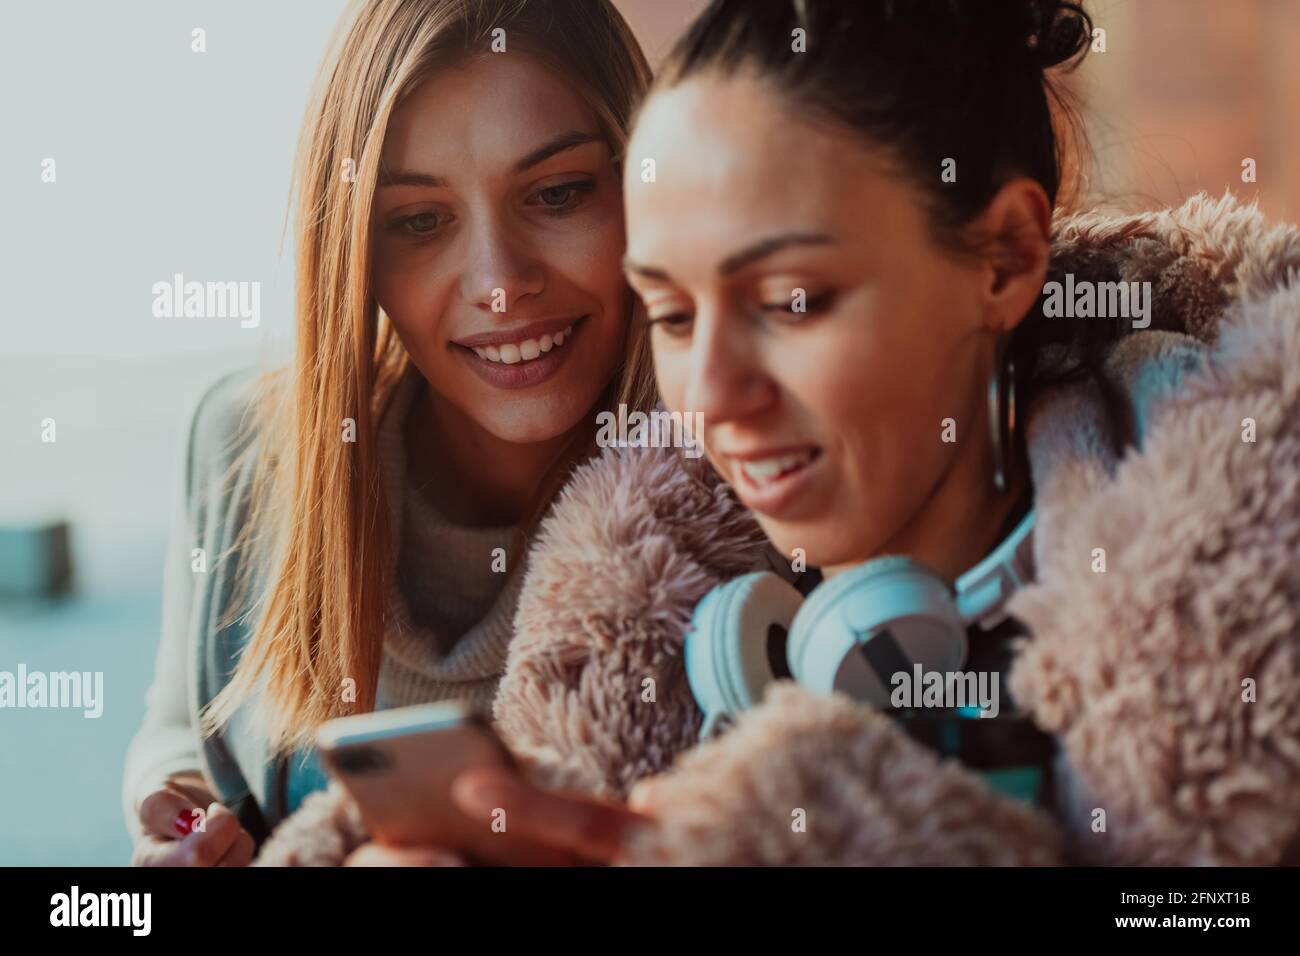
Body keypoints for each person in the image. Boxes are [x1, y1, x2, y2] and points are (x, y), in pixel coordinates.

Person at [257, 0, 1300, 866]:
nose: (709, 392)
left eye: (793, 300)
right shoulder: (652, 650)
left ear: (1004, 257)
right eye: (669, 313)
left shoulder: (1239, 574)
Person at [123, 0, 658, 866]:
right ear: (355, 256)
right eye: (419, 220)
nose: (498, 284)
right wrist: (181, 807)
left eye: (557, 194)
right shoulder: (238, 444)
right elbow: (179, 722)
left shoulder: (734, 495)